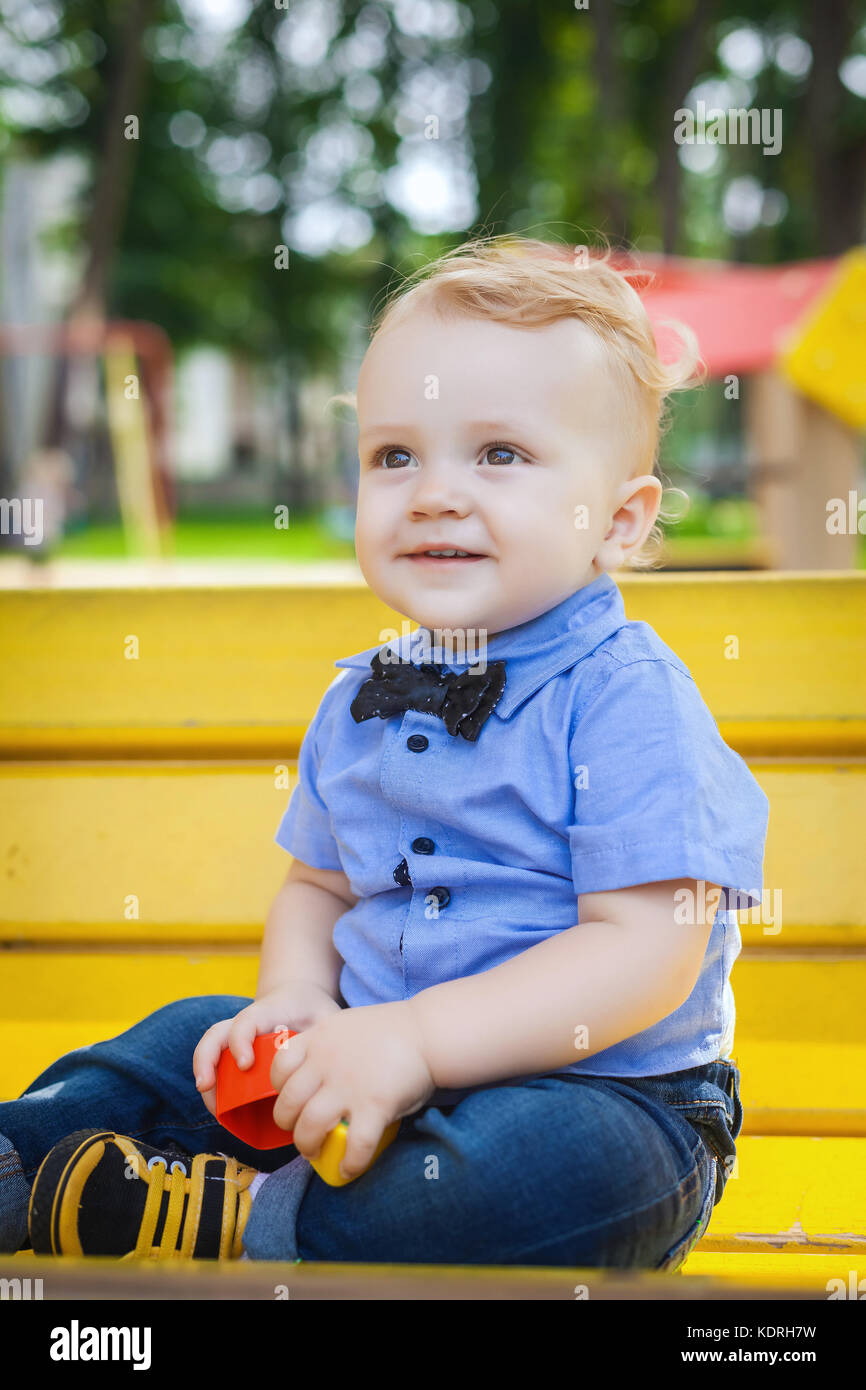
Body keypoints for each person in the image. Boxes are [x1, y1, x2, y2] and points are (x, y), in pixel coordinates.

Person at [1, 235, 768, 1268]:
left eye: (498, 454)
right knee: (183, 1035)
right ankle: (22, 1160)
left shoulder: (625, 697)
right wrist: (296, 1006)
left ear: (619, 522)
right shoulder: (359, 693)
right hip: (362, 1050)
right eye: (394, 455)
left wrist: (417, 1043)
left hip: (603, 1091)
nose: (433, 493)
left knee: (560, 1176)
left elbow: (643, 951)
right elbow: (316, 889)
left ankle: (247, 1224)